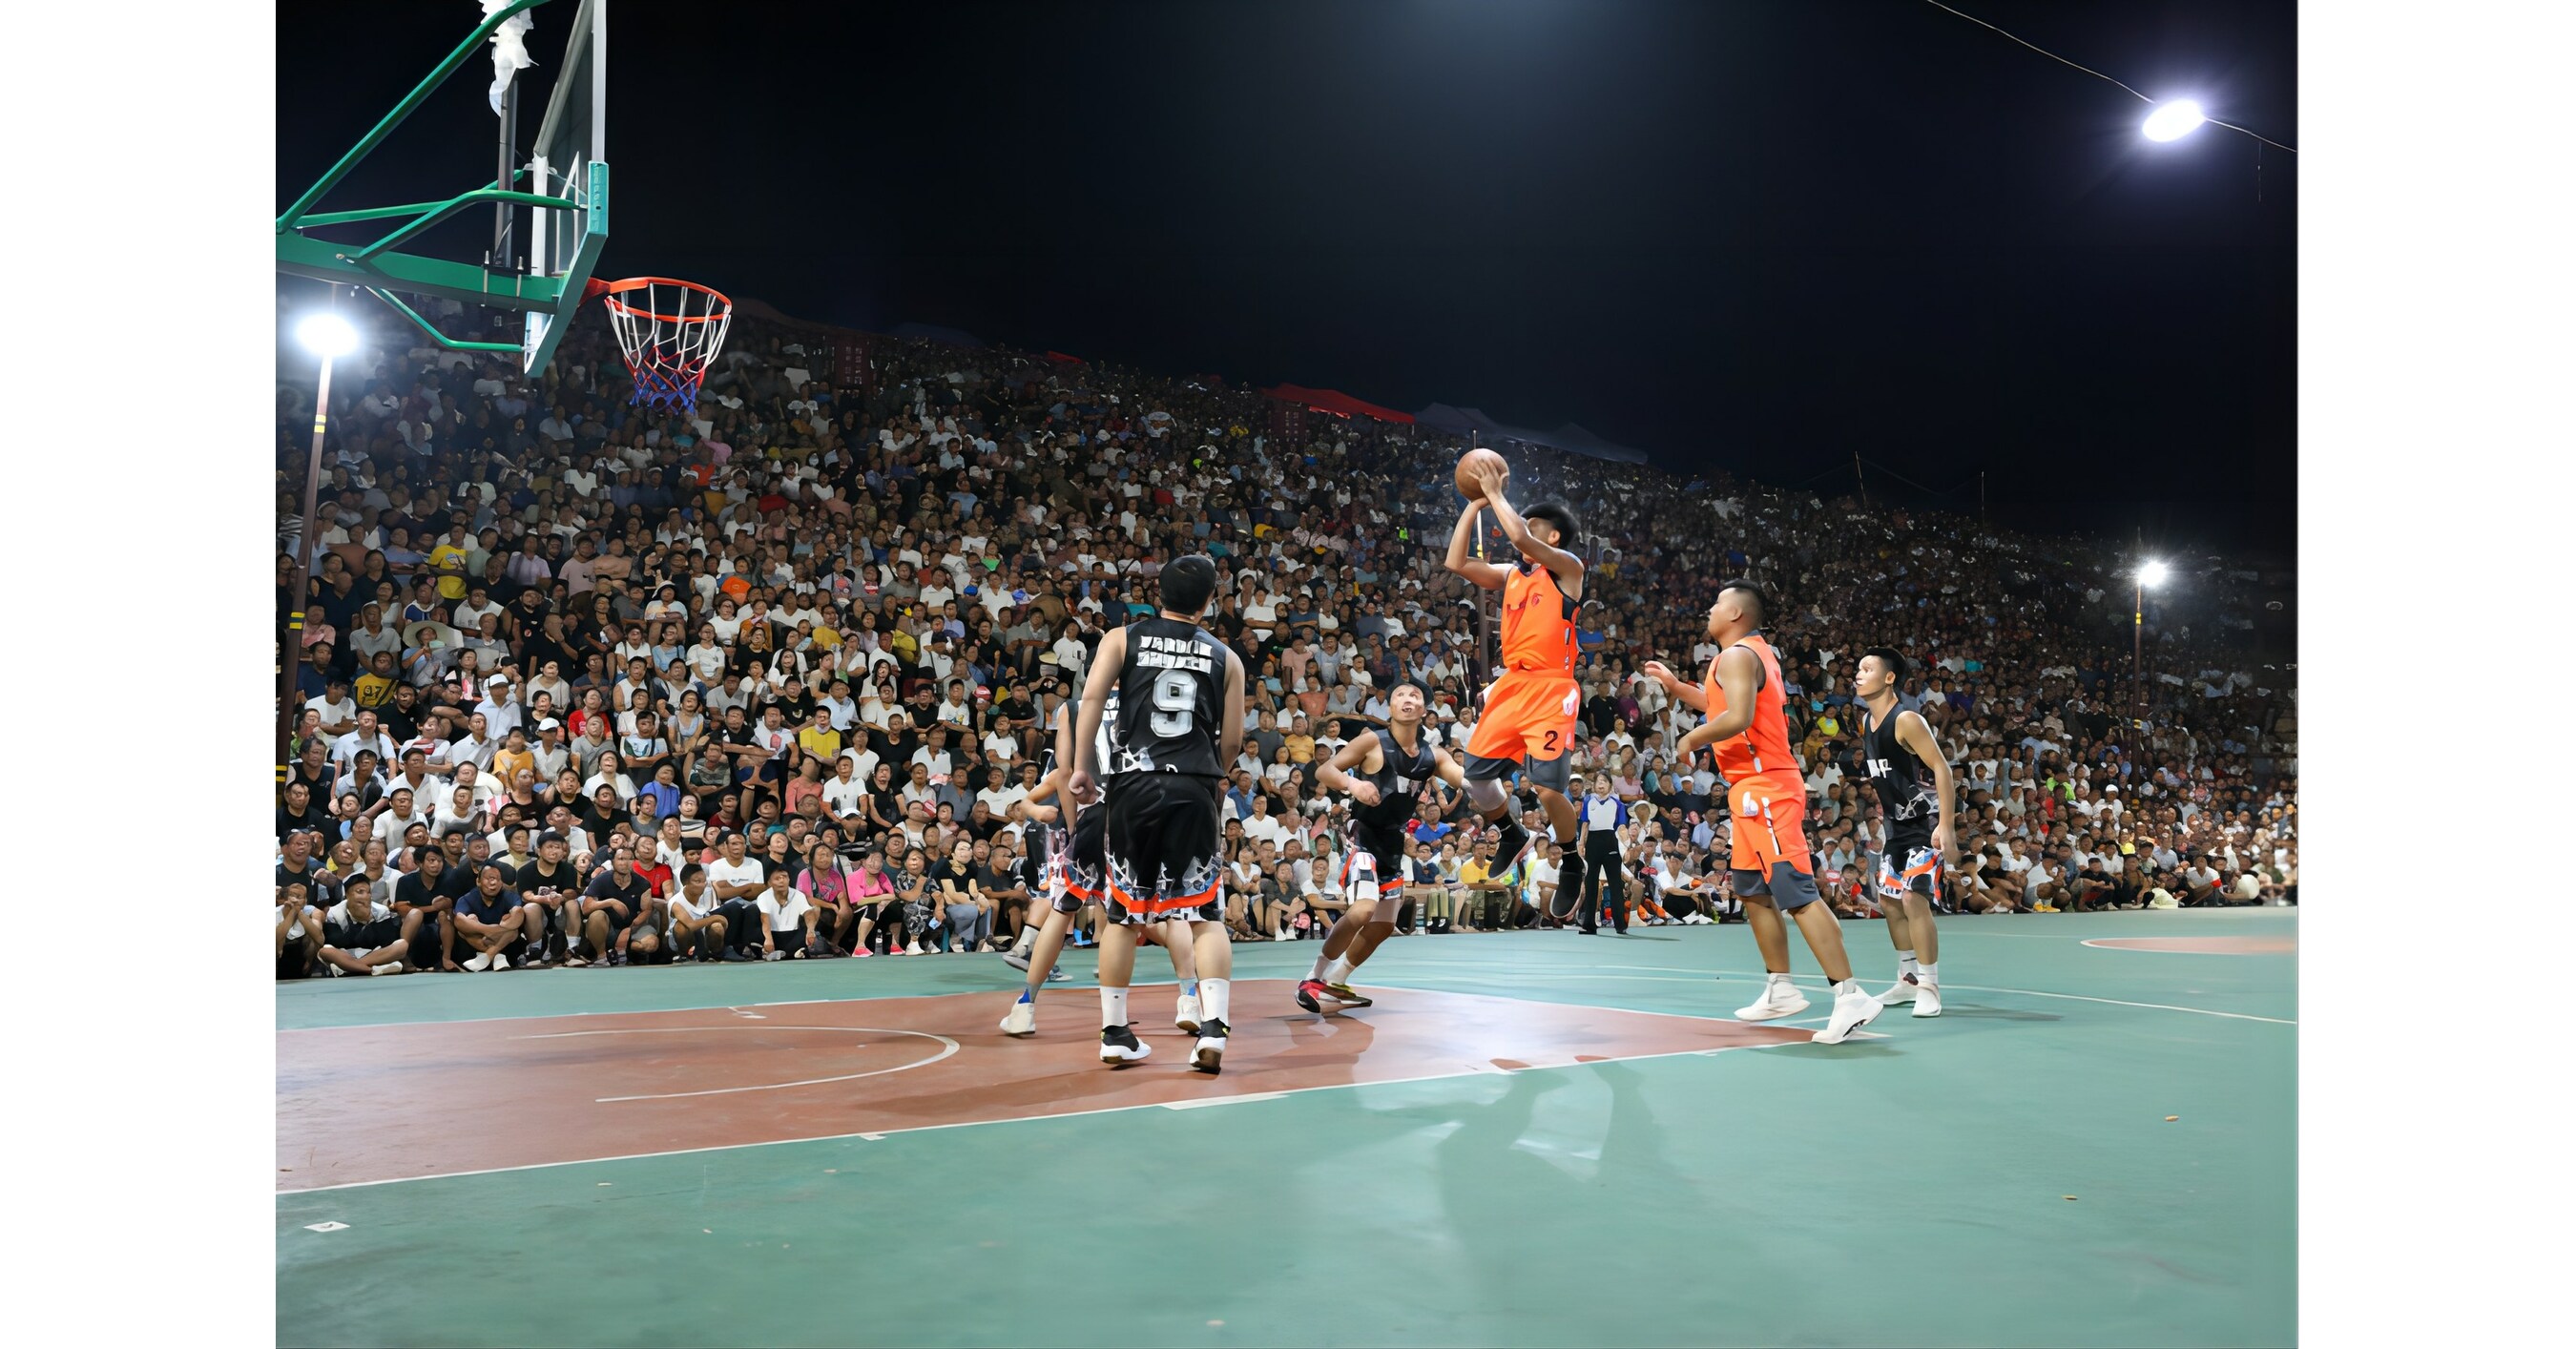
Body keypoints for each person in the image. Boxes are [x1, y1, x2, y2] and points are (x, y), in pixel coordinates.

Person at [1654, 581, 1880, 1044]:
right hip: (1748, 790)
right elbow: (1725, 704)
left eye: (1717, 603)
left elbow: (1736, 717)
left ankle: (1850, 994)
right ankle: (1780, 986)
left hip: (1767, 786)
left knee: (1793, 890)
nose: (1709, 610)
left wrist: (1690, 739)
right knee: (1751, 888)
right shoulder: (1750, 654)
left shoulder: (1739, 655)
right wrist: (1679, 688)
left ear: (1735, 611)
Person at [1067, 554, 1243, 1072]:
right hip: (1192, 784)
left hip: (1133, 784)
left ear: (1155, 594)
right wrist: (1212, 772)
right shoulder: (1226, 657)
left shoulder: (1123, 638)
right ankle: (1212, 1027)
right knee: (1205, 914)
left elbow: (1093, 697)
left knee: (1122, 915)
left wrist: (1083, 769)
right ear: (1210, 601)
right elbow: (1230, 740)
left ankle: (1116, 1033)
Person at [1001, 671, 1202, 1037]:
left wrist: (1076, 826)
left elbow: (1064, 773)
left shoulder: (1074, 708)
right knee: (1170, 912)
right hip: (1146, 811)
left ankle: (1025, 1007)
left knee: (1062, 911)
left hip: (1095, 813)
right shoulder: (1148, 701)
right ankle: (1190, 998)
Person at [1299, 680, 1466, 1012]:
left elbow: (1469, 779)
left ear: (1424, 709)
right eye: (1400, 695)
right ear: (1389, 707)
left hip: (1392, 840)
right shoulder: (1372, 741)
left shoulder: (1435, 755)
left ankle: (1337, 980)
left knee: (1383, 926)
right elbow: (1324, 769)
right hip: (1361, 833)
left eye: (1415, 695)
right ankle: (1313, 978)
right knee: (1362, 910)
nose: (1407, 699)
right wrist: (1353, 783)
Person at [1850, 646, 1958, 1017]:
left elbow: (1942, 770)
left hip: (1923, 825)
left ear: (1890, 677)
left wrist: (1946, 826)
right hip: (1896, 827)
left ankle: (1930, 985)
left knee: (1914, 899)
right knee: (1890, 902)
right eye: (1858, 669)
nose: (1858, 674)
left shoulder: (1906, 719)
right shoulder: (1866, 722)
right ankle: (1908, 981)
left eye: (1867, 669)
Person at [1569, 772, 1632, 935]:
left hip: (1610, 842)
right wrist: (1581, 843)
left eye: (1604, 781)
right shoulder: (1588, 801)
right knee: (1591, 884)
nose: (1601, 784)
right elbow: (1585, 823)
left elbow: (1621, 827)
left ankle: (1620, 924)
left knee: (1615, 885)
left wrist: (1627, 846)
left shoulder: (1617, 804)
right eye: (1598, 781)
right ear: (1593, 785)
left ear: (1610, 786)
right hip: (1593, 843)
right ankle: (1589, 924)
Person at [317, 878, 410, 976]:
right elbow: (335, 942)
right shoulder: (335, 912)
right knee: (325, 950)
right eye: (360, 892)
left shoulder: (381, 910)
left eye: (369, 892)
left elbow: (387, 941)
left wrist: (367, 920)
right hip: (346, 955)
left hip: (374, 954)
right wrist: (358, 922)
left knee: (402, 945)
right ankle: (372, 970)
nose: (366, 896)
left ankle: (349, 969)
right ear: (347, 895)